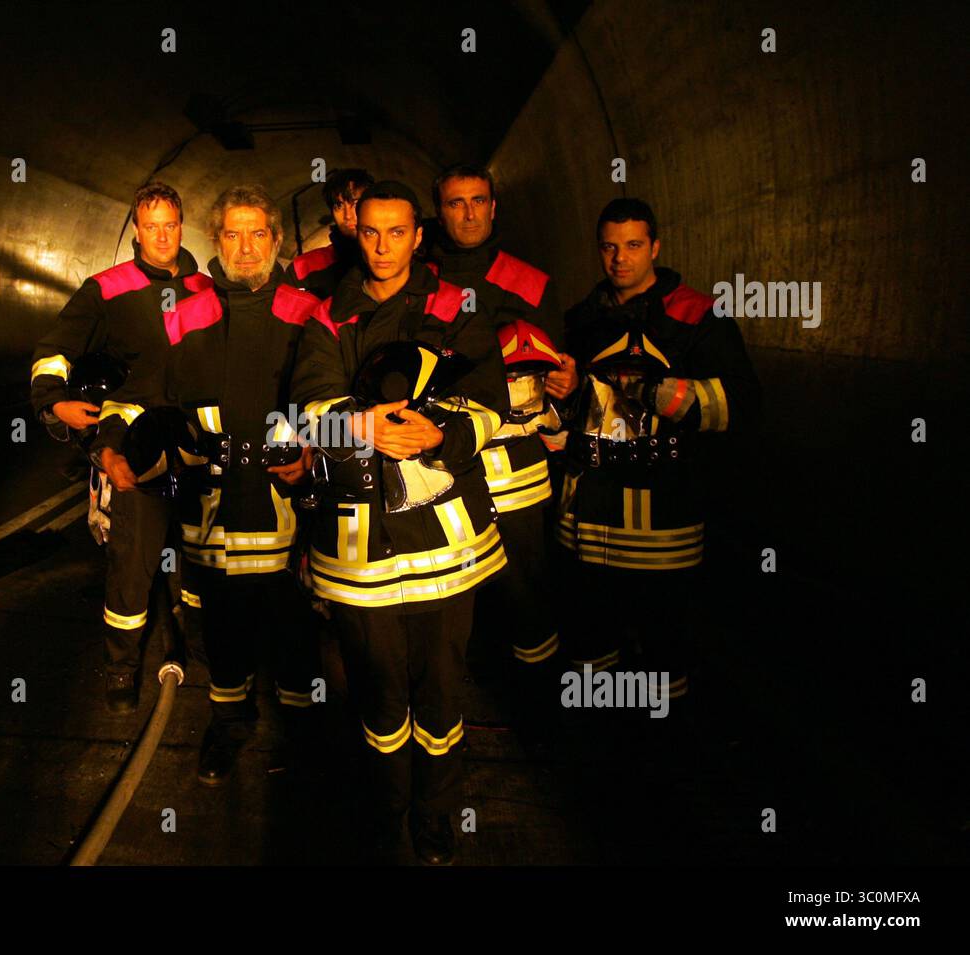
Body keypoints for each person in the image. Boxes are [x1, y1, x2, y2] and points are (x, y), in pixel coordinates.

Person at [291, 181, 508, 864]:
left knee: (441, 687)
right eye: (372, 233)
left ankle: (436, 815)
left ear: (420, 236)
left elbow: (491, 400)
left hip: (446, 540)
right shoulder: (329, 319)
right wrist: (366, 428)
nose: (383, 247)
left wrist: (436, 431)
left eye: (397, 233)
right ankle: (389, 815)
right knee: (381, 692)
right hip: (360, 548)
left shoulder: (455, 308)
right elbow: (305, 412)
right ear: (357, 235)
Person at [558, 198, 761, 701]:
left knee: (662, 641)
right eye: (608, 247)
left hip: (660, 516)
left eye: (632, 246)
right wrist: (562, 390)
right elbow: (577, 411)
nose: (619, 259)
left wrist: (657, 391)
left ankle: (662, 751)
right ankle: (597, 740)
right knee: (589, 638)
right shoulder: (583, 318)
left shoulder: (695, 316)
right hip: (585, 509)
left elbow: (741, 404)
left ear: (655, 247)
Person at [29, 182, 211, 714]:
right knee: (133, 564)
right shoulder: (106, 288)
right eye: (150, 226)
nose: (161, 236)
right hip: (136, 446)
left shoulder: (205, 288)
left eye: (170, 225)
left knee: (201, 558)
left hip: (198, 446)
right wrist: (52, 402)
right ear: (136, 229)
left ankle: (198, 647)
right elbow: (54, 349)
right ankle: (121, 668)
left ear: (182, 225)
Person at [164, 184, 323, 785]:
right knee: (223, 622)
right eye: (233, 233)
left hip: (284, 497)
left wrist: (313, 453)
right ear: (216, 240)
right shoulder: (186, 311)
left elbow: (333, 396)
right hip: (213, 498)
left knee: (293, 621)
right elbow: (161, 394)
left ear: (277, 241)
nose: (246, 245)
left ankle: (304, 729)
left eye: (258, 233)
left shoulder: (307, 310)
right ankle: (229, 722)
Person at [425, 162, 577, 687]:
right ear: (438, 211)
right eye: (455, 202)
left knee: (523, 582)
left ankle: (537, 691)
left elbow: (557, 362)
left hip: (516, 466)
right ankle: (460, 691)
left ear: (494, 206)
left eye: (478, 201)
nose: (468, 213)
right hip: (440, 463)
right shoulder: (421, 279)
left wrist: (566, 375)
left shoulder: (529, 280)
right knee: (452, 581)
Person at [285, 168, 374, 301]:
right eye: (339, 206)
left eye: (356, 204)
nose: (347, 215)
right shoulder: (303, 268)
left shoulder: (394, 262)